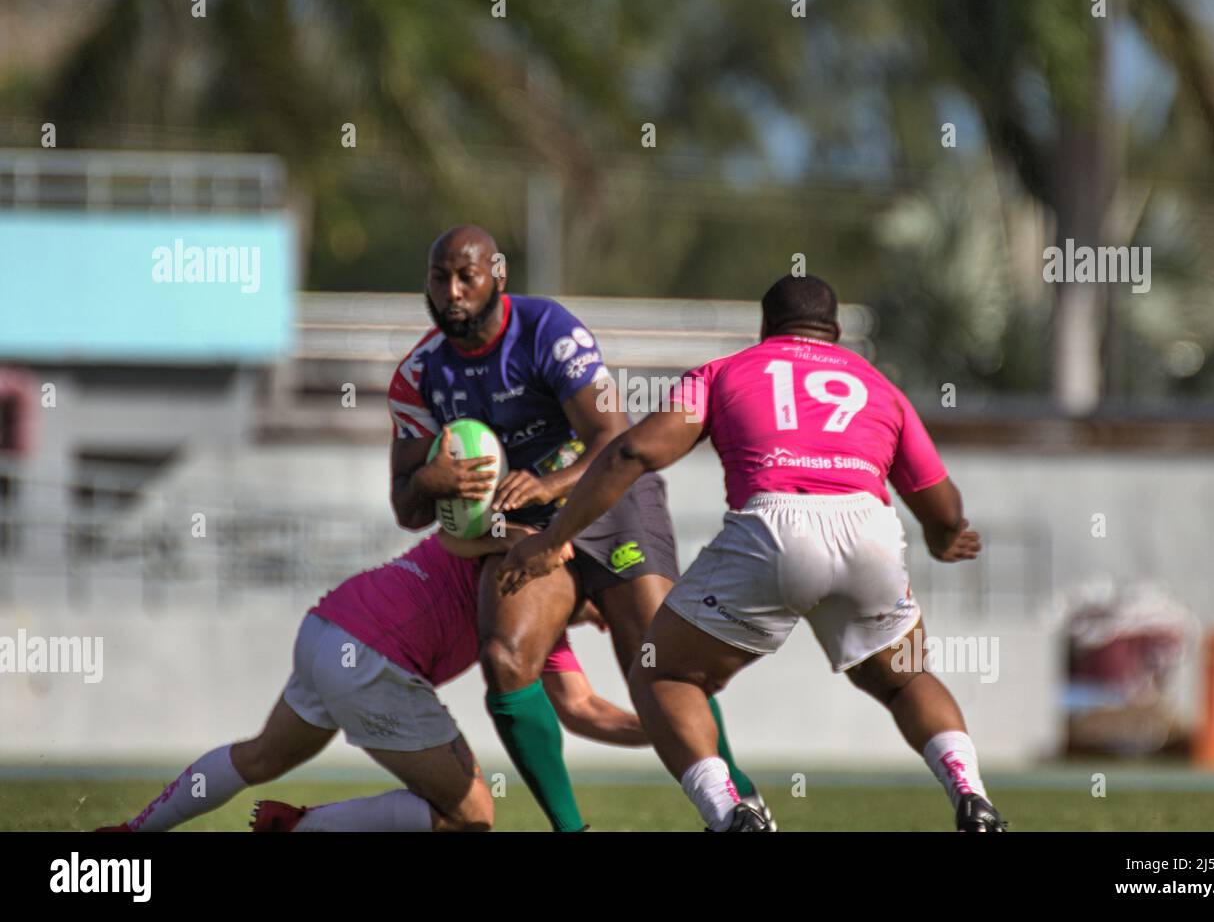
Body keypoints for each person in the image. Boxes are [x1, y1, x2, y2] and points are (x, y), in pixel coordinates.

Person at [498, 273, 1008, 832]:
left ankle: (729, 814)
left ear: (765, 327)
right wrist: (941, 541)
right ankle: (972, 795)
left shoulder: (728, 370)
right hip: (870, 532)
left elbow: (636, 451)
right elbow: (944, 508)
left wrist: (551, 538)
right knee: (904, 677)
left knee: (659, 671)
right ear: (835, 333)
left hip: (772, 528)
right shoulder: (877, 385)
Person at [386, 224, 769, 831]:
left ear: (498, 275)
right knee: (505, 660)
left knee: (656, 659)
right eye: (440, 278)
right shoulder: (419, 375)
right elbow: (406, 507)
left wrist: (547, 486)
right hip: (523, 526)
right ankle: (572, 830)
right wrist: (435, 481)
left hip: (611, 499)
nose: (453, 292)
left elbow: (611, 438)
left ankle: (740, 800)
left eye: (467, 275)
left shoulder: (547, 331)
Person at [98, 525, 645, 832]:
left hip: (328, 628)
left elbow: (583, 708)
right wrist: (519, 534)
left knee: (263, 756)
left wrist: (668, 730)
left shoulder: (542, 625)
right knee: (470, 816)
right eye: (608, 608)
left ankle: (132, 835)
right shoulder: (529, 554)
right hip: (374, 656)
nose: (605, 622)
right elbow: (473, 526)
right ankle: (298, 830)